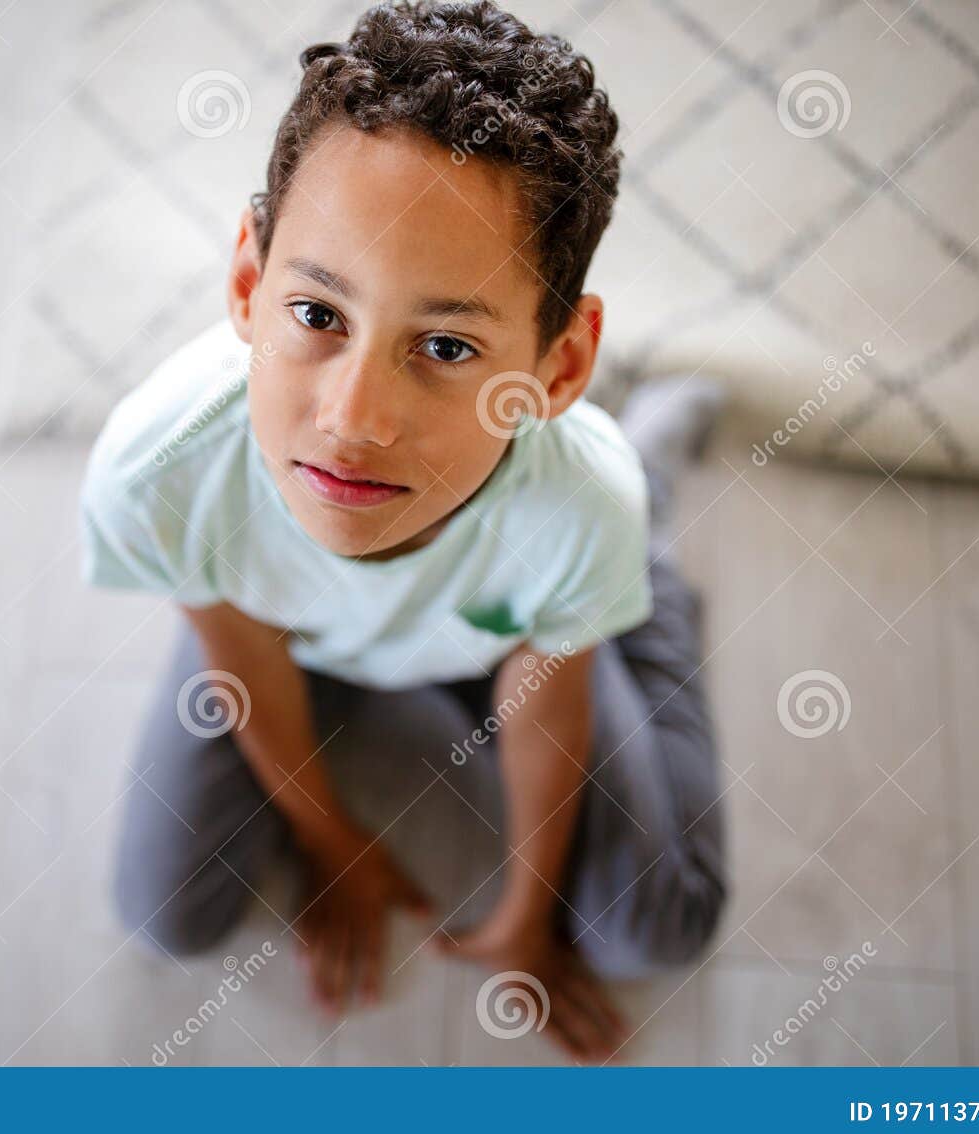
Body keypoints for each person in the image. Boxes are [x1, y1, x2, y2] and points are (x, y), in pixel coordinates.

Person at [78, 0, 727, 1060]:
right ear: (248, 282)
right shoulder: (158, 471)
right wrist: (329, 835)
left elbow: (543, 704)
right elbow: (236, 653)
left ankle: (646, 522)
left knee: (649, 927)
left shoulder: (571, 509)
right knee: (165, 911)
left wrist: (527, 910)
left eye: (445, 346)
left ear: (558, 367)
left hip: (515, 615)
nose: (349, 421)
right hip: (289, 626)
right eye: (319, 315)